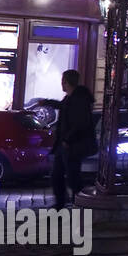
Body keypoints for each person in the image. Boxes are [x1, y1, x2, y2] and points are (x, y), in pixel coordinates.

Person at [51, 69, 96, 208]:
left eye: (63, 81)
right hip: (65, 144)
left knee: (72, 177)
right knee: (57, 175)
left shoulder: (79, 99)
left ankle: (79, 204)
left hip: (72, 145)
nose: (61, 84)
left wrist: (67, 140)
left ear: (67, 82)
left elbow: (80, 123)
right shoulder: (70, 97)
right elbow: (62, 106)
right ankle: (61, 204)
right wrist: (46, 102)